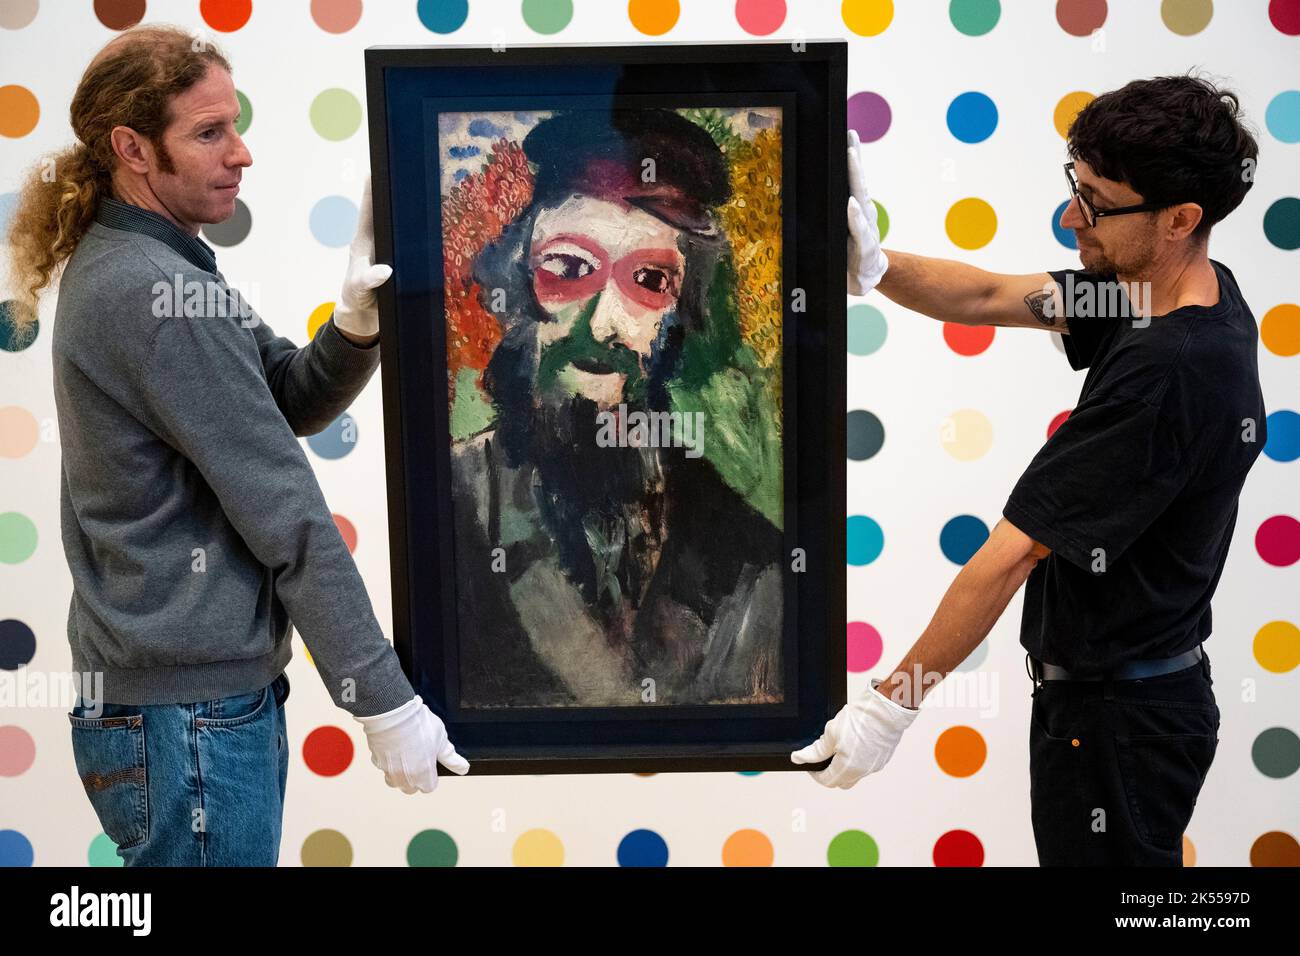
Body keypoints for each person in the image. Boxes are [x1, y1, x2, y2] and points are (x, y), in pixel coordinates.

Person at [5, 25, 466, 866]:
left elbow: (286, 395)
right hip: (189, 721)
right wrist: (381, 698)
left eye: (236, 124)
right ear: (132, 149)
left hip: (180, 710)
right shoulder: (154, 292)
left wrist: (356, 328)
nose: (242, 153)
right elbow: (283, 507)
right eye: (209, 132)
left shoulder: (155, 264)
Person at [792, 74, 1266, 866]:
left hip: (1125, 719)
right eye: (1075, 188)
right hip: (1123, 703)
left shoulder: (1170, 372)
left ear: (1182, 218)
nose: (1072, 217)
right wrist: (870, 266)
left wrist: (889, 709)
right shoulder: (1157, 292)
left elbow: (1011, 552)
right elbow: (991, 295)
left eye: (1098, 203)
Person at [449, 109, 784, 708]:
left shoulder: (748, 556)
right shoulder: (449, 502)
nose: (605, 326)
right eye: (571, 269)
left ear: (679, 317)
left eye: (650, 280)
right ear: (520, 282)